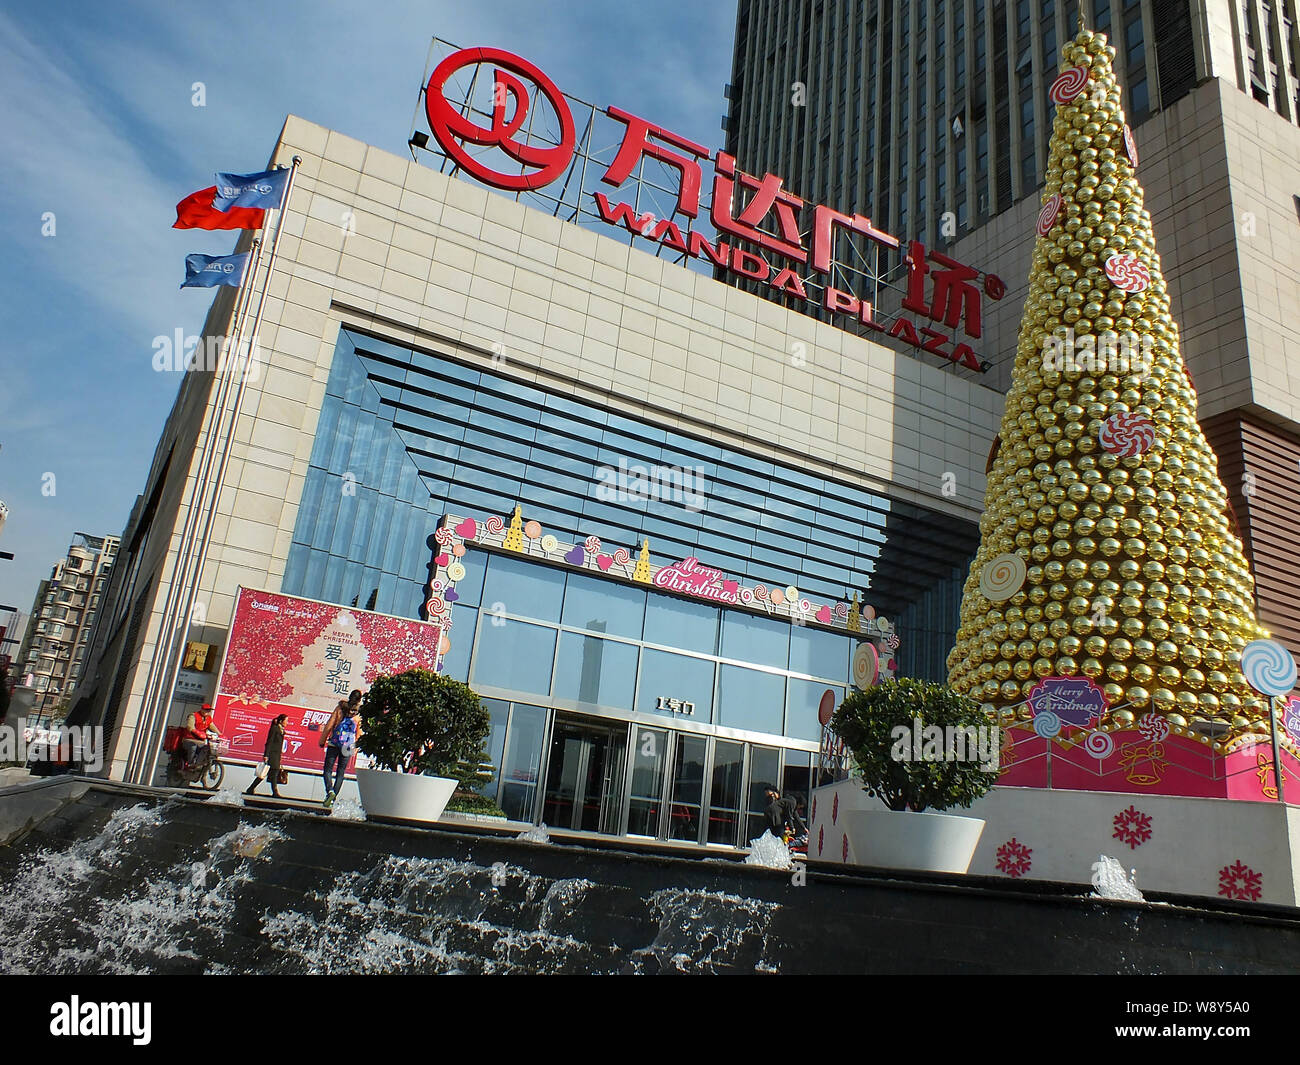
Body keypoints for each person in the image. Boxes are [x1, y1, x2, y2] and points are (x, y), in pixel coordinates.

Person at [319, 689, 363, 809]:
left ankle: (329, 791)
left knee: (327, 769)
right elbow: (359, 732)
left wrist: (322, 741)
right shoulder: (359, 713)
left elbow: (329, 725)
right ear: (359, 700)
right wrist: (355, 747)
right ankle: (333, 798)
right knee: (341, 772)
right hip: (348, 746)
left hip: (334, 743)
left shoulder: (340, 708)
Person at [245, 714, 288, 798]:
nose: (287, 723)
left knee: (272, 773)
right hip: (272, 754)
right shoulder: (275, 729)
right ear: (281, 721)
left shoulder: (281, 730)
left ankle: (252, 788)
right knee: (269, 772)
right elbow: (269, 742)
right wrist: (266, 755)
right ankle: (274, 792)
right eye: (286, 721)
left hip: (277, 754)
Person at [179, 703, 220, 772]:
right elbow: (190, 726)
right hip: (189, 739)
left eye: (209, 710)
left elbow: (212, 726)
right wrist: (197, 732)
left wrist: (219, 734)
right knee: (193, 747)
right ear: (202, 709)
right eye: (206, 710)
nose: (208, 712)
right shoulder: (193, 716)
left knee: (206, 748)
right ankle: (190, 763)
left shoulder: (208, 718)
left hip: (201, 741)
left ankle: (198, 764)